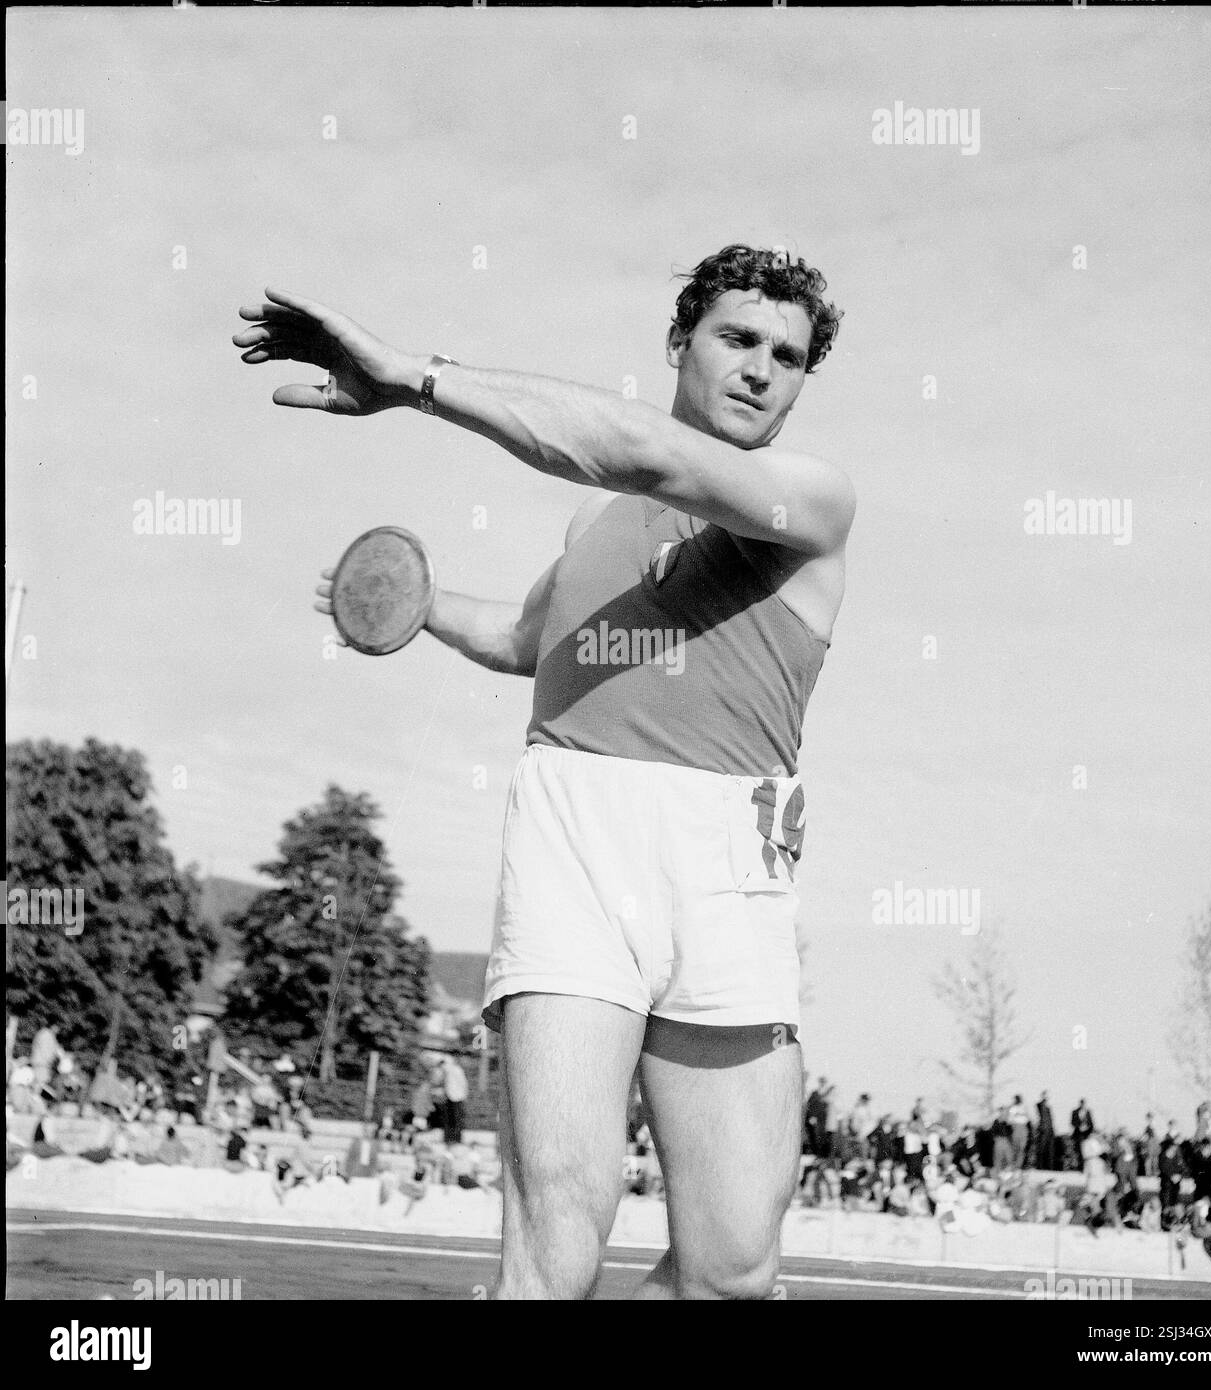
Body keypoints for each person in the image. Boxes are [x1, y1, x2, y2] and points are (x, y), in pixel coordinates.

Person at [251, 243, 855, 1300]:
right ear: (679, 341)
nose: (760, 368)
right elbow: (529, 638)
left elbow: (642, 452)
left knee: (731, 1267)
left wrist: (413, 381)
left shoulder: (807, 498)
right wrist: (418, 603)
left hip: (727, 858)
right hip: (575, 832)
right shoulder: (596, 519)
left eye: (786, 355)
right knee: (555, 1237)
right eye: (735, 338)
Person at [1034, 1091, 1056, 1171]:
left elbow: (1050, 1119)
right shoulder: (1040, 1105)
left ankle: (1049, 1167)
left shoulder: (1048, 1108)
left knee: (1050, 1150)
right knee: (1041, 1149)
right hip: (1043, 1130)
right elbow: (1040, 1107)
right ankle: (1040, 1166)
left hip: (1049, 1130)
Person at [1008, 1094, 1030, 1171]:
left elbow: (1027, 1118)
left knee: (1022, 1148)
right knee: (1015, 1147)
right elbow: (1010, 1119)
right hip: (1015, 1127)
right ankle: (1012, 1164)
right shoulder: (1012, 1108)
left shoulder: (1024, 1107)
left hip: (1023, 1128)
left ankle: (1019, 1165)